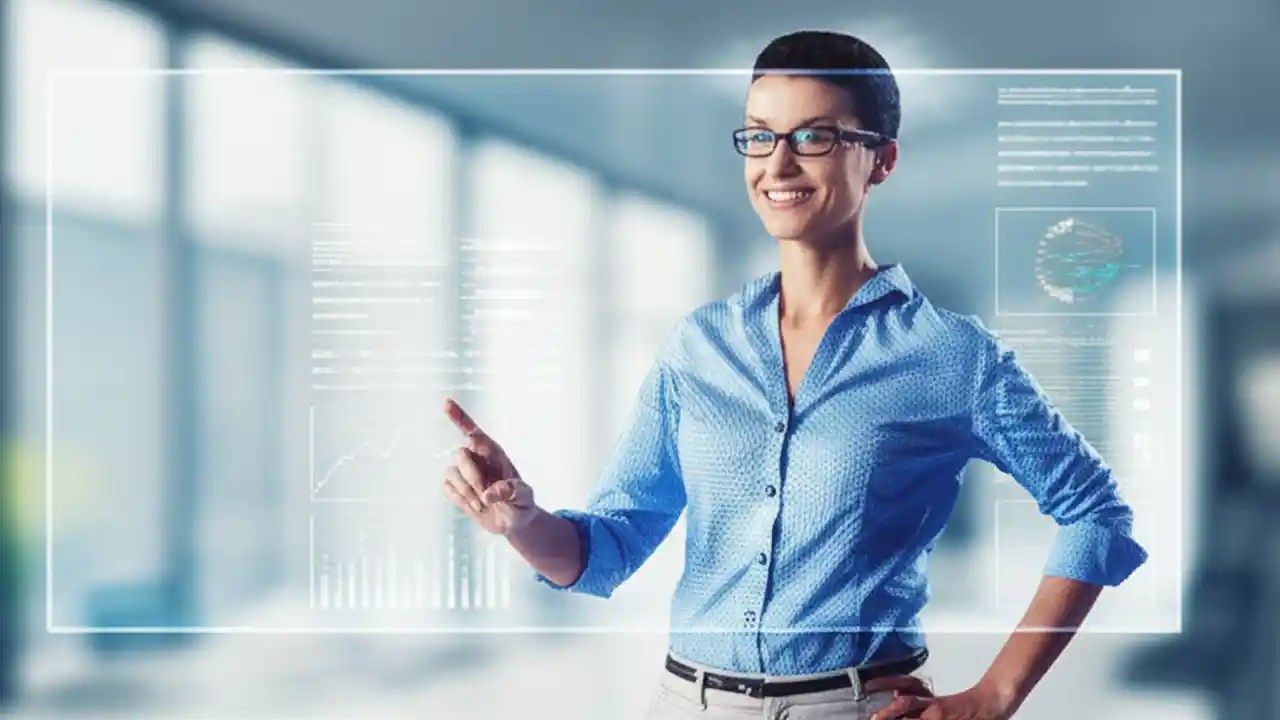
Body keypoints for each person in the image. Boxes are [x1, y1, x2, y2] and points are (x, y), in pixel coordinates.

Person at [440, 29, 1149, 720]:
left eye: (814, 137)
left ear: (881, 160)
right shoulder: (699, 345)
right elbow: (605, 553)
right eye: (759, 135)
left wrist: (996, 696)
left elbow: (1096, 514)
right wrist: (522, 522)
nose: (777, 164)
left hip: (858, 705)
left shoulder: (951, 354)